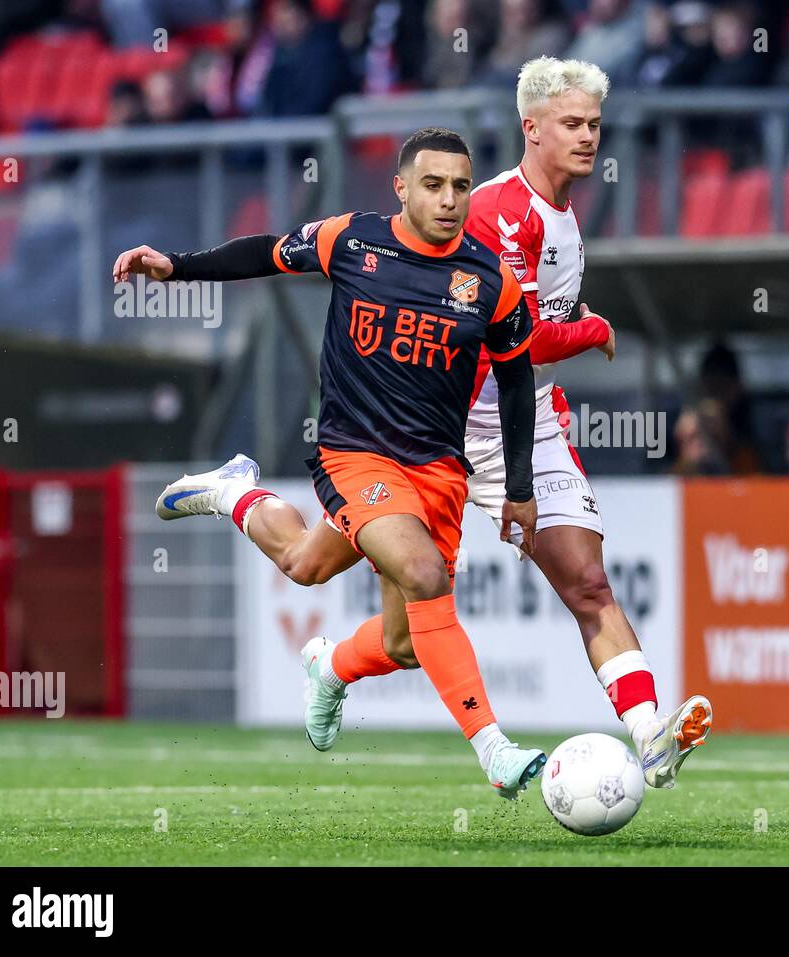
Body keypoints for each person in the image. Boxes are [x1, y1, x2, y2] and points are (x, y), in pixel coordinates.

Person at [151, 59, 713, 791]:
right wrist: (591, 328)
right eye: (572, 124)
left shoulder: (561, 222)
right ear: (531, 128)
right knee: (383, 584)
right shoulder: (477, 216)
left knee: (574, 585)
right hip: (401, 437)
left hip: (506, 430)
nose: (588, 138)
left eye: (595, 125)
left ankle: (648, 734)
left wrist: (523, 475)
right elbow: (530, 337)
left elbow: (517, 360)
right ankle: (485, 745)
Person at [116, 127, 549, 801]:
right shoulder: (353, 240)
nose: (449, 199)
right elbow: (265, 251)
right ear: (401, 187)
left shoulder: (489, 279)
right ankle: (494, 749)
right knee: (423, 571)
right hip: (355, 450)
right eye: (432, 185)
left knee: (346, 596)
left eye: (461, 186)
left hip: (437, 470)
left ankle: (306, 623)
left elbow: (518, 379)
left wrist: (519, 488)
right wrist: (177, 266)